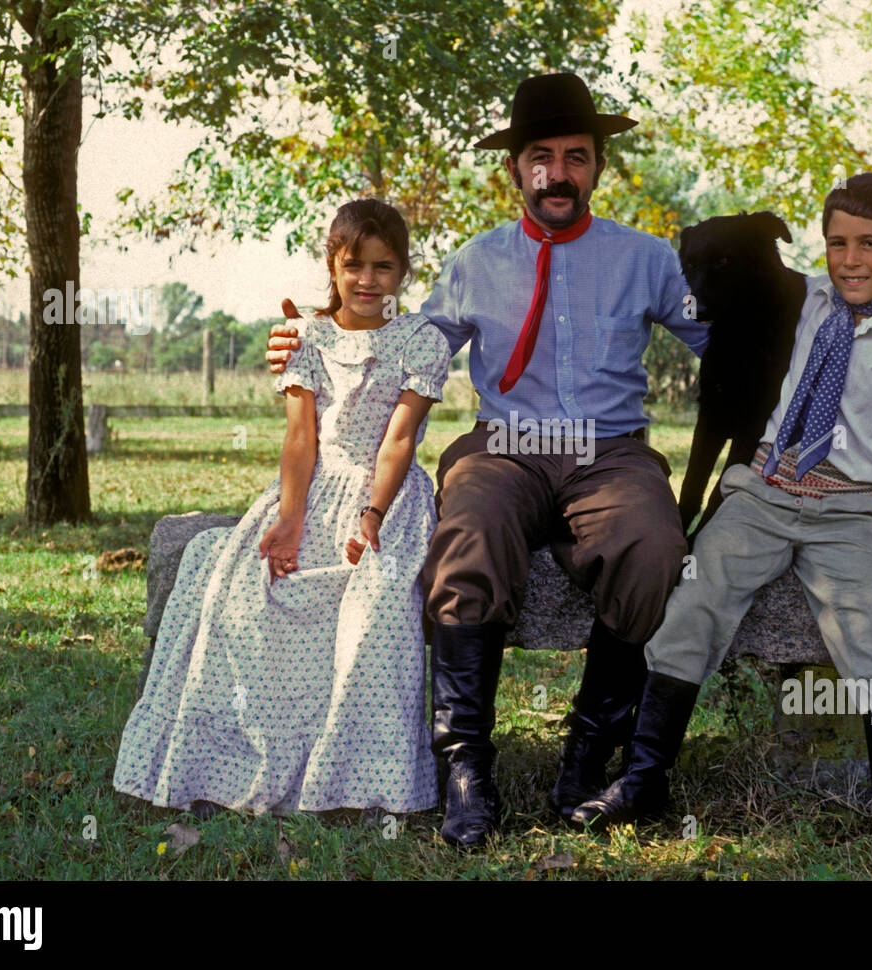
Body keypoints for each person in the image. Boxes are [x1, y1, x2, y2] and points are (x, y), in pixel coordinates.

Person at [267, 73, 711, 847]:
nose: (559, 173)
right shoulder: (476, 261)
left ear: (597, 166)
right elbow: (402, 345)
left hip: (609, 452)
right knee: (465, 536)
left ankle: (587, 752)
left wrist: (812, 321)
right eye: (541, 156)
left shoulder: (648, 259)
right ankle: (467, 766)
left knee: (654, 546)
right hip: (504, 444)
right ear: (515, 170)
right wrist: (314, 335)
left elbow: (727, 344)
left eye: (576, 156)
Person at [570, 173, 872, 873]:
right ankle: (644, 780)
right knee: (694, 603)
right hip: (764, 490)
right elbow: (738, 280)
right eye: (837, 243)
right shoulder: (802, 299)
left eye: (870, 244)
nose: (850, 260)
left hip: (847, 507)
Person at [114, 198, 452, 817]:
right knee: (241, 580)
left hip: (386, 493)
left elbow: (398, 439)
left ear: (403, 270)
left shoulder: (420, 342)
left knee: (372, 606)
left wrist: (372, 515)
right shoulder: (307, 340)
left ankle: (357, 779)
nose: (368, 281)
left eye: (383, 267)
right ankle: (238, 756)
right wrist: (290, 516)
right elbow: (301, 437)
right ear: (333, 264)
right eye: (354, 266)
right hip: (312, 488)